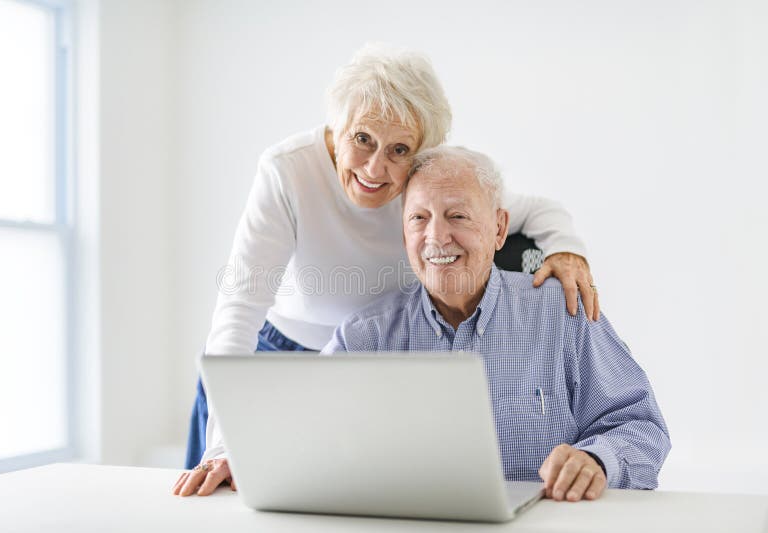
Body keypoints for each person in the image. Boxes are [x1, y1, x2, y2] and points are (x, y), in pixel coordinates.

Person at [173, 44, 600, 497]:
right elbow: (238, 309)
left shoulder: (423, 182)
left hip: (371, 361)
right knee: (218, 499)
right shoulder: (287, 172)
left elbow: (538, 211)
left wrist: (569, 252)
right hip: (277, 357)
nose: (375, 168)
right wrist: (224, 443)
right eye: (362, 140)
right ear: (337, 128)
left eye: (399, 149)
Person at [322, 146, 670, 501]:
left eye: (457, 216)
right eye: (419, 218)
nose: (437, 237)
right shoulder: (363, 338)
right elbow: (308, 441)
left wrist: (596, 460)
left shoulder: (562, 312)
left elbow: (641, 426)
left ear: (500, 228)